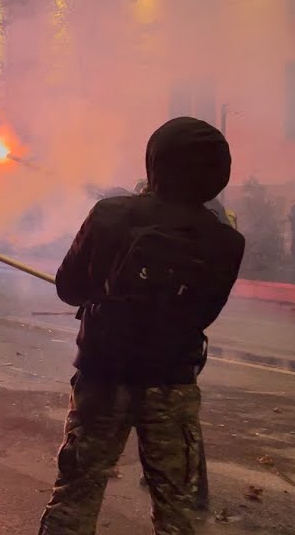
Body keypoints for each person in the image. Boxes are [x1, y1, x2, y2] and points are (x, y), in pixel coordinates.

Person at [39, 117, 245, 535]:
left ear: (155, 160)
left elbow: (69, 288)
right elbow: (205, 313)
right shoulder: (226, 240)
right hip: (172, 382)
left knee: (76, 493)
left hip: (102, 376)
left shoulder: (111, 214)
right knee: (178, 507)